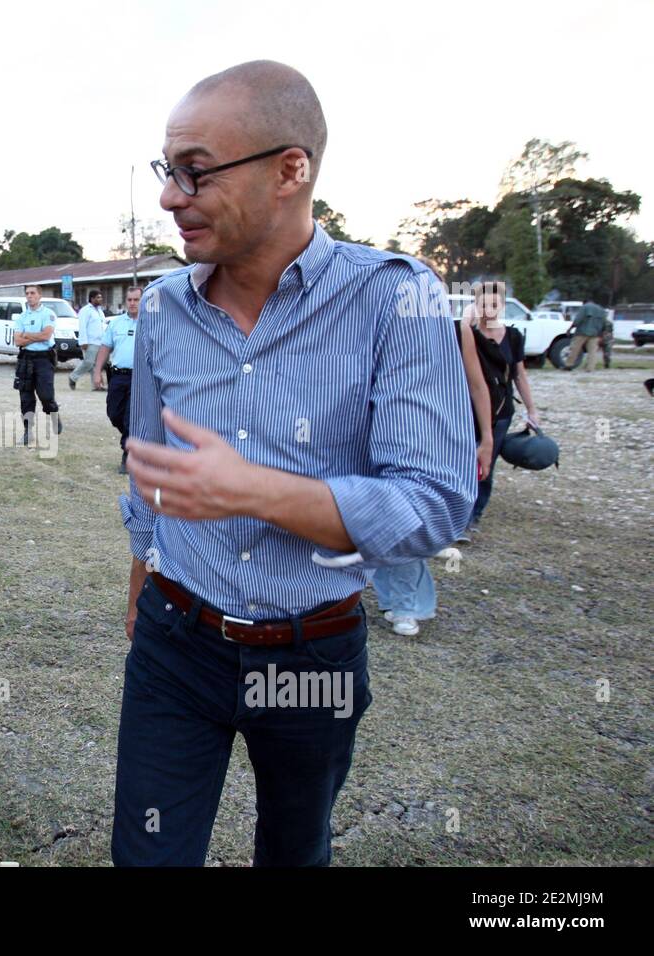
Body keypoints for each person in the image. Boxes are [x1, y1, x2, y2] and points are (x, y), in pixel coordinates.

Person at [115, 61, 475, 866]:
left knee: (294, 851)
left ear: (290, 169)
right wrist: (144, 573)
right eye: (167, 172)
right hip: (177, 641)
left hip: (313, 652)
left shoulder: (395, 297)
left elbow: (436, 504)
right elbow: (148, 468)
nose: (173, 196)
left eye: (196, 172)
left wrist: (259, 491)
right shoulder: (165, 306)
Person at [372, 259, 493, 637]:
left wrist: (486, 438)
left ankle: (407, 605)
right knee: (380, 523)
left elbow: (476, 385)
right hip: (380, 433)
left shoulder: (457, 330)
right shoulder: (378, 325)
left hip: (434, 437)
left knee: (405, 521)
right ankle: (394, 600)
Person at [467, 281, 539, 529]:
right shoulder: (468, 335)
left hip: (500, 411)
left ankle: (473, 516)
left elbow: (519, 375)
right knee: (461, 460)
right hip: (466, 409)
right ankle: (454, 510)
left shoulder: (513, 336)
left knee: (486, 462)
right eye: (483, 303)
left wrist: (532, 410)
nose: (489, 309)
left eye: (494, 304)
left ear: (502, 305)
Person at [93, 286, 141, 474]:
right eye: (129, 299)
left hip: (140, 377)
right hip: (118, 376)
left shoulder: (151, 323)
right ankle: (135, 442)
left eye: (136, 299)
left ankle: (128, 454)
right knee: (114, 413)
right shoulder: (116, 323)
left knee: (131, 418)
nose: (132, 303)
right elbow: (105, 347)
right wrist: (97, 371)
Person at [13, 284, 62, 445]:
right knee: (25, 397)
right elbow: (17, 340)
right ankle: (28, 431)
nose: (29, 296)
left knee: (46, 395)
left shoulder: (48, 314)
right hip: (25, 358)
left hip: (43, 358)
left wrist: (26, 334)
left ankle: (54, 413)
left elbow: (47, 336)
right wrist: (34, 336)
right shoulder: (22, 317)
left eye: (33, 293)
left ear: (40, 295)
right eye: (27, 293)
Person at [69, 290, 106, 390]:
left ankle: (97, 386)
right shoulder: (85, 310)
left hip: (100, 342)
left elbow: (103, 326)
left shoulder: (100, 311)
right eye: (98, 297)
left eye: (100, 297)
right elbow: (82, 327)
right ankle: (73, 377)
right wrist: (83, 342)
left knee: (96, 365)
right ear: (92, 298)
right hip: (90, 342)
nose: (100, 299)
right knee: (88, 362)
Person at [565, 301, 607, 372]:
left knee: (574, 349)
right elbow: (604, 323)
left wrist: (571, 328)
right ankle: (590, 368)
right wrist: (601, 334)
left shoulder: (585, 307)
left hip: (582, 332)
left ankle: (569, 365)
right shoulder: (601, 309)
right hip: (595, 333)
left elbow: (578, 319)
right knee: (592, 352)